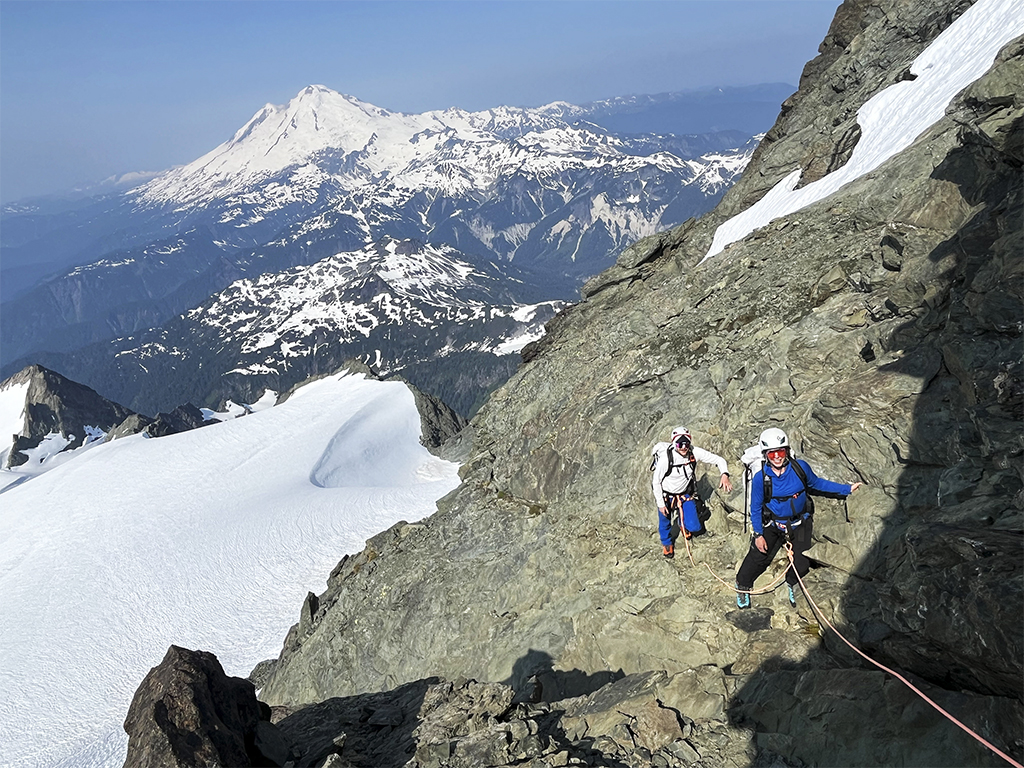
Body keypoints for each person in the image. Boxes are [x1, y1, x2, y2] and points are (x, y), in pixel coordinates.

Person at [735, 427, 862, 608]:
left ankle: (792, 583)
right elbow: (755, 508)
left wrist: (846, 489)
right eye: (772, 454)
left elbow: (817, 483)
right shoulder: (760, 478)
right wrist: (758, 534)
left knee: (802, 562)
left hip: (800, 522)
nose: (777, 457)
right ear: (765, 456)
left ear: (786, 451)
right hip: (774, 524)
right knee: (758, 555)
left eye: (780, 452)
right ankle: (742, 584)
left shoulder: (800, 468)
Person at [652, 426, 733, 558]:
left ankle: (683, 523)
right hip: (666, 495)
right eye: (679, 444)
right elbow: (656, 482)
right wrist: (661, 504)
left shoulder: (694, 452)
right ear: (674, 444)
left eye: (686, 443)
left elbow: (719, 460)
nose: (683, 447)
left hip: (684, 494)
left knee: (695, 527)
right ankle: (666, 543)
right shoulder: (666, 459)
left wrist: (724, 474)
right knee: (664, 521)